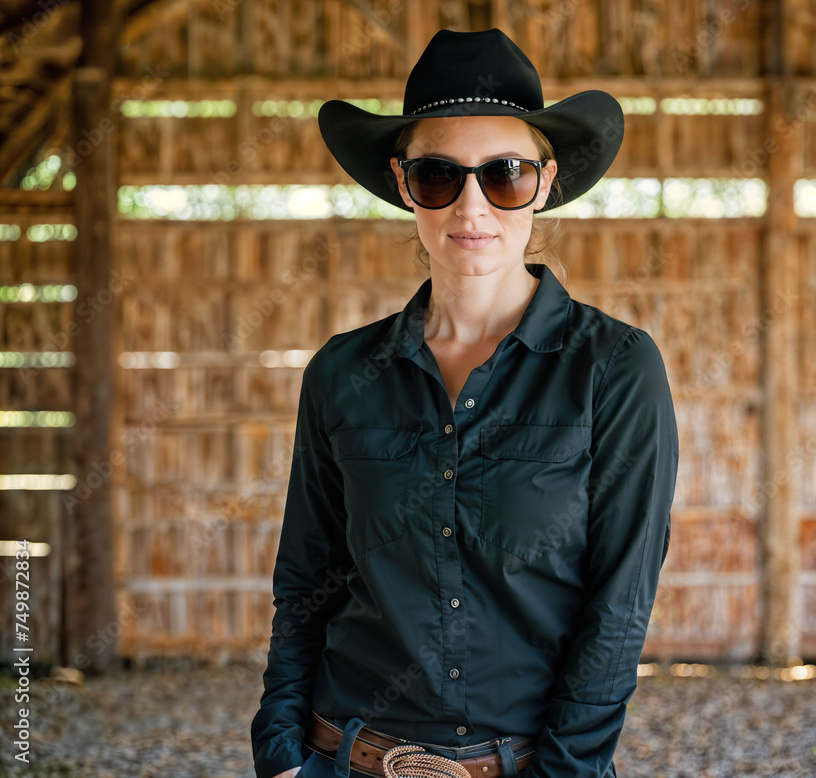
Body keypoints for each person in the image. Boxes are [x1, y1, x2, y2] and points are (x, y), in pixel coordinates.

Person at [250, 27, 678, 778]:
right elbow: (306, 580)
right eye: (440, 176)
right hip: (341, 756)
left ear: (544, 183)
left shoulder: (614, 369)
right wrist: (281, 751)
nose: (472, 207)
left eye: (504, 175)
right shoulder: (340, 373)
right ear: (403, 183)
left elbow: (618, 607)